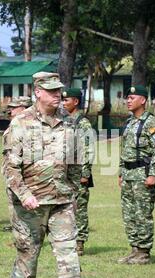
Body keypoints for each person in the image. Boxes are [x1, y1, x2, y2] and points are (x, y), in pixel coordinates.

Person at [3, 72, 82, 278]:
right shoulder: (20, 123)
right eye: (52, 90)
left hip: (61, 202)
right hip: (30, 205)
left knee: (69, 253)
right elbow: (10, 168)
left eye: (59, 90)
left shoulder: (69, 121)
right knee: (28, 256)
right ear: (38, 92)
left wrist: (72, 191)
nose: (58, 94)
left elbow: (76, 161)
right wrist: (25, 194)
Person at [118, 85, 155, 265]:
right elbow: (125, 149)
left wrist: (153, 174)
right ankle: (134, 249)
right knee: (129, 213)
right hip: (129, 174)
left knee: (143, 213)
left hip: (142, 175)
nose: (128, 101)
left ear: (143, 100)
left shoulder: (150, 123)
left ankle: (144, 252)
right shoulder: (130, 122)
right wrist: (121, 172)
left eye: (132, 97)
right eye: (127, 98)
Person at [62, 88, 95, 256]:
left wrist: (85, 173)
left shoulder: (83, 123)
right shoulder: (63, 121)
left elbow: (89, 149)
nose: (63, 103)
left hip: (79, 174)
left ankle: (80, 242)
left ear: (75, 102)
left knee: (79, 208)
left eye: (66, 100)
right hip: (65, 173)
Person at [1, 96, 33, 232]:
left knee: (25, 211)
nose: (10, 111)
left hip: (23, 175)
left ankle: (26, 238)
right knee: (15, 208)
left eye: (13, 108)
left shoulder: (29, 127)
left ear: (24, 109)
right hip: (12, 174)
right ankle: (20, 234)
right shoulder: (15, 124)